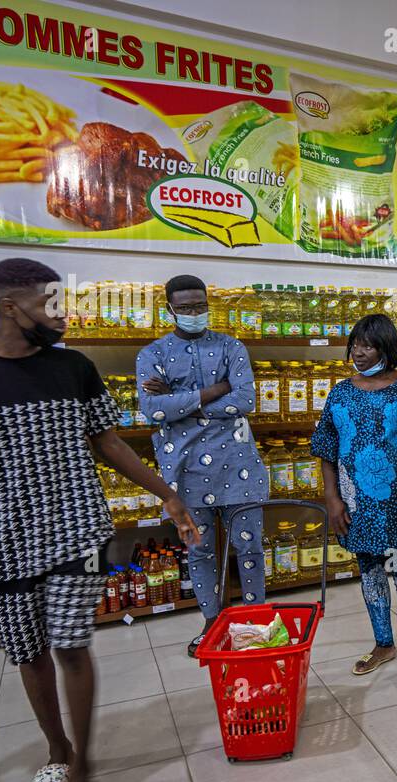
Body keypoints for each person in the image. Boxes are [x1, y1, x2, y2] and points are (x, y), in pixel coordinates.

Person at [0, 258, 199, 782]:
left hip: (79, 530)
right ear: (9, 307)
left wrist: (168, 494)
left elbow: (108, 442)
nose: (62, 314)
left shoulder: (74, 368)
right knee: (29, 651)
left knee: (68, 642)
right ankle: (58, 747)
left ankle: (83, 770)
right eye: (50, 303)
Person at [135, 275, 268, 658]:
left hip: (238, 464)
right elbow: (152, 409)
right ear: (170, 309)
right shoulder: (152, 354)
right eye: (186, 307)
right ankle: (212, 621)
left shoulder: (231, 346)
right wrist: (215, 390)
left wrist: (180, 403)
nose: (195, 313)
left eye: (200, 306)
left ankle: (256, 621)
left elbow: (243, 401)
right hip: (184, 470)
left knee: (250, 546)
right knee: (199, 550)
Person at [311, 313, 397, 692]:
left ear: (387, 348)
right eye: (355, 344)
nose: (358, 351)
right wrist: (333, 499)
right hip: (356, 502)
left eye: (367, 345)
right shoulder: (340, 391)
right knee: (369, 572)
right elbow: (326, 448)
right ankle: (384, 644)